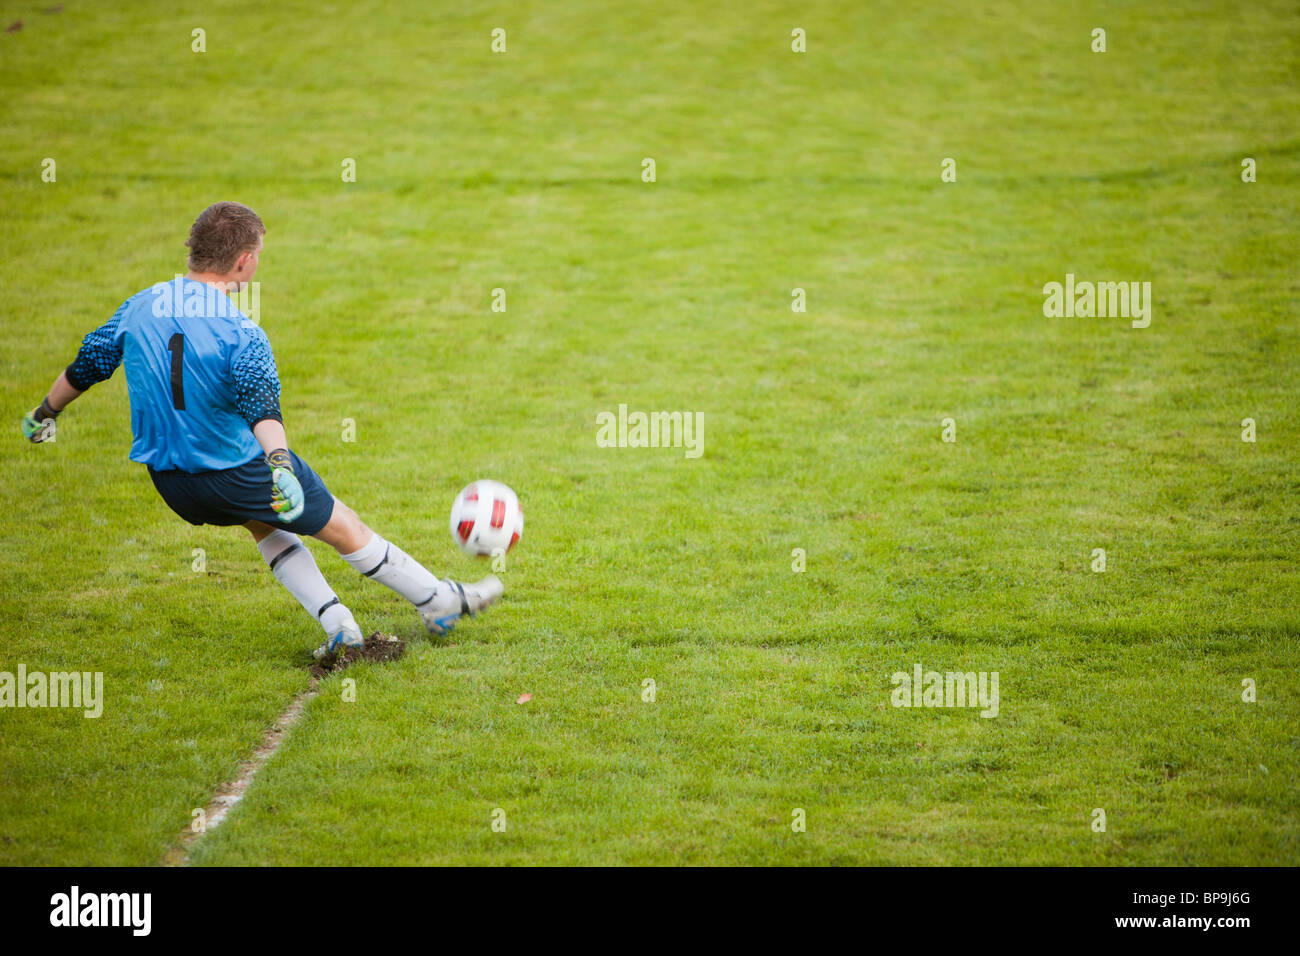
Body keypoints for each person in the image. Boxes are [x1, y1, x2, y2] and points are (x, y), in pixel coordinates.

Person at [20, 201, 501, 659]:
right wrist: (280, 466)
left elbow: (88, 365)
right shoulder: (241, 330)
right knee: (342, 525)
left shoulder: (139, 306)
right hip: (233, 470)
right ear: (244, 262)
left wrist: (45, 411)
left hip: (171, 483)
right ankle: (436, 601)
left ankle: (341, 627)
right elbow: (262, 410)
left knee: (261, 522)